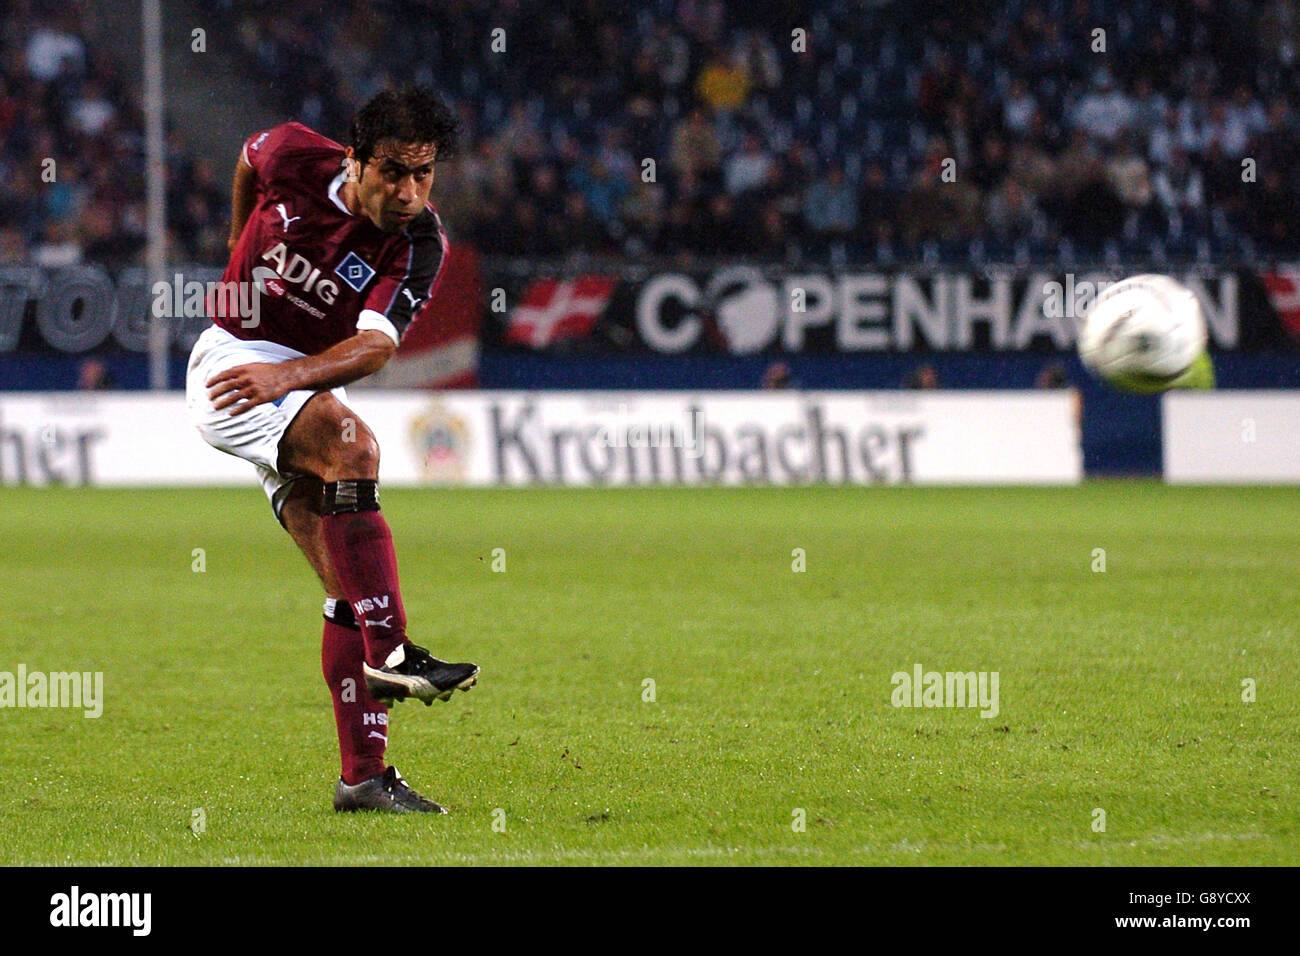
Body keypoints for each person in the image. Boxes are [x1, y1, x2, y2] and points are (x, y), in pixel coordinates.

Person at [184, 85, 478, 814]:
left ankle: (363, 779)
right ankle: (395, 653)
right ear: (355, 157)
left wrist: (289, 374)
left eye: (424, 174)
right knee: (355, 447)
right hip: (230, 362)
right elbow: (249, 160)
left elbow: (377, 346)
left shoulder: (418, 243)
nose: (409, 192)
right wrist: (234, 241)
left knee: (350, 591)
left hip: (293, 383)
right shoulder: (293, 153)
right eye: (393, 172)